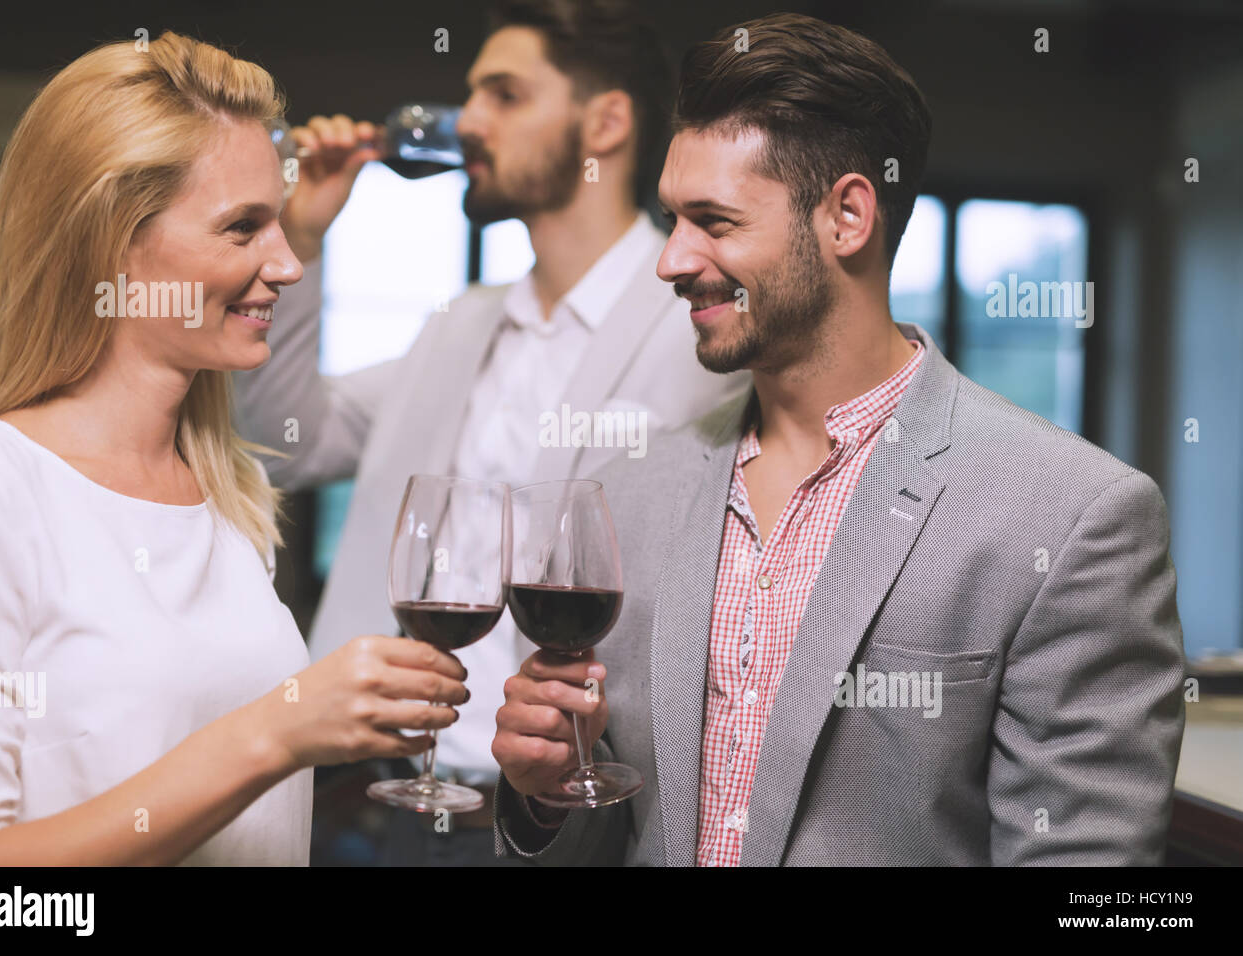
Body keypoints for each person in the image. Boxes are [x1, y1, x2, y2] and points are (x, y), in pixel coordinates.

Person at [492, 12, 1186, 866]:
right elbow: (619, 831)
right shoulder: (632, 490)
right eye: (672, 218)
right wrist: (541, 797)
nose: (671, 260)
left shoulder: (1076, 516)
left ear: (849, 216)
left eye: (714, 220)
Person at [232, 0, 746, 864]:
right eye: (471, 95)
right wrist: (305, 236)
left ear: (606, 122)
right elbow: (285, 442)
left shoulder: (701, 333)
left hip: (583, 822)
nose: (469, 120)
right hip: (401, 803)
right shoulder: (457, 326)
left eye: (505, 94)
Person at [0, 31, 469, 867]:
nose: (288, 263)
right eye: (242, 228)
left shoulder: (230, 491)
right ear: (116, 243)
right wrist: (278, 728)